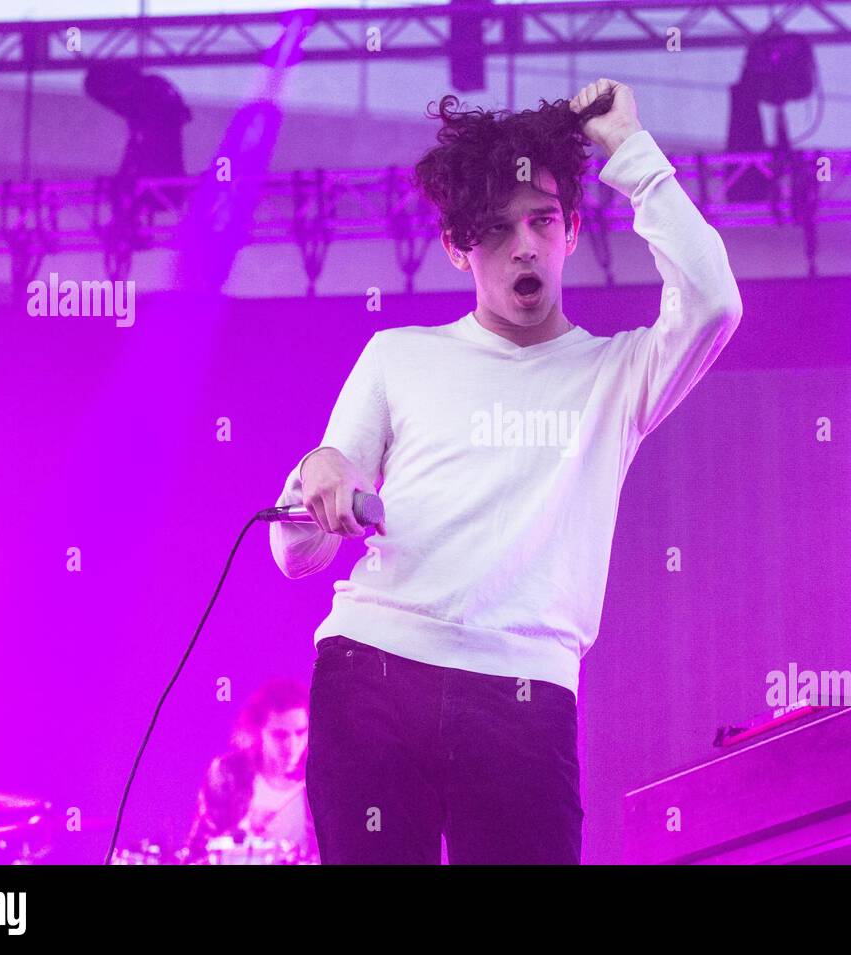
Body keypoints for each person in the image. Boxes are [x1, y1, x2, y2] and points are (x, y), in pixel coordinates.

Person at [270, 79, 742, 864]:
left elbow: (714, 304)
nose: (523, 244)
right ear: (459, 247)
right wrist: (316, 473)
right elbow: (295, 555)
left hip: (523, 697)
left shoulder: (616, 373)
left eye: (542, 220)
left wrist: (629, 148)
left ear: (571, 230)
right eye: (495, 229)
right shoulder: (399, 355)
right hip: (374, 674)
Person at [183, 678, 319, 864]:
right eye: (280, 735)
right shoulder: (228, 774)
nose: (292, 746)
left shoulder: (320, 778)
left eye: (301, 732)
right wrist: (243, 832)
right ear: (258, 730)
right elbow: (196, 853)